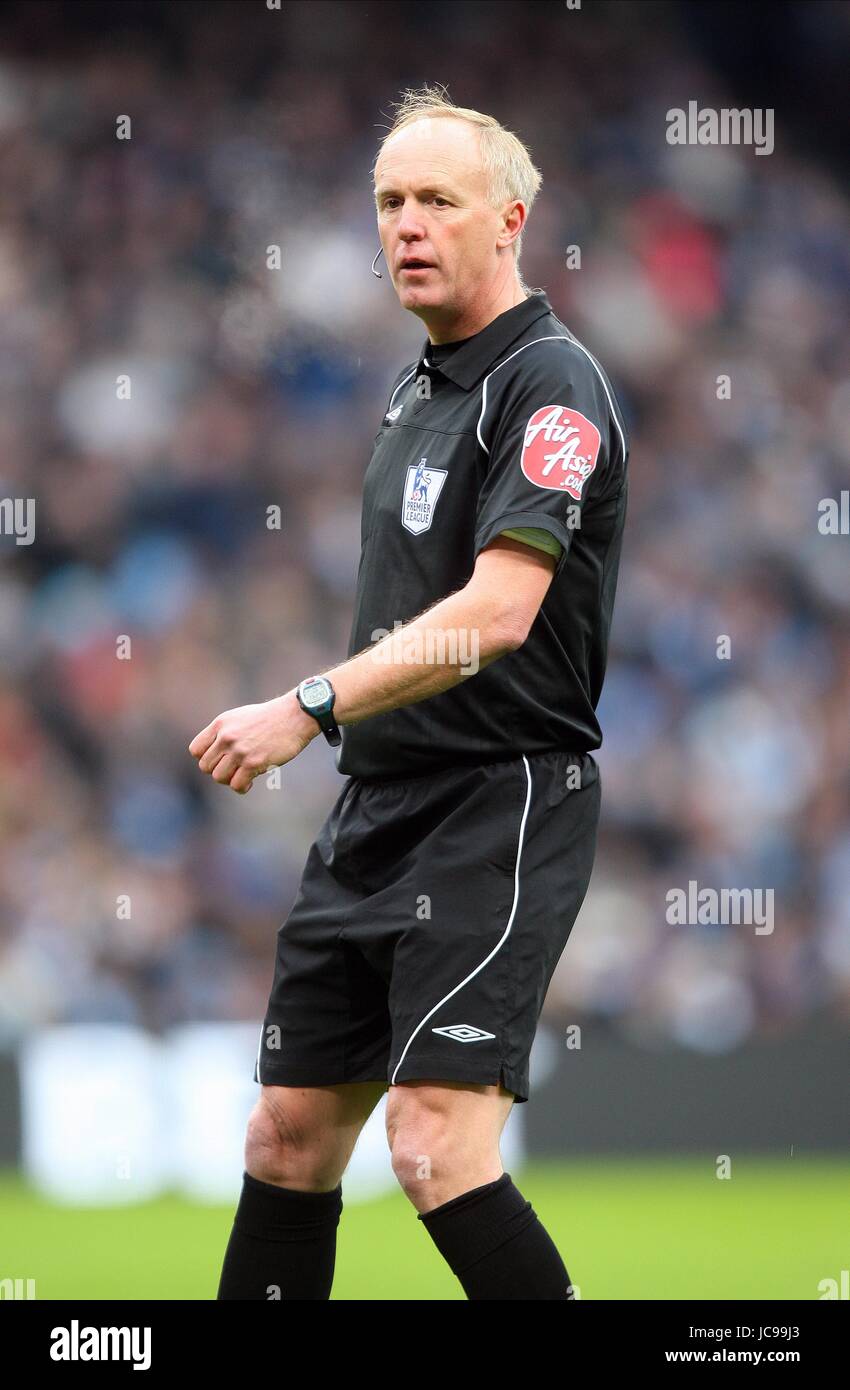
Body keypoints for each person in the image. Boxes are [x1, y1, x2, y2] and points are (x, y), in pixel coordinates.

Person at [190, 84, 629, 1301]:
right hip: (377, 809)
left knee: (432, 1143)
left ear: (511, 220)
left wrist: (309, 703)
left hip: (501, 803)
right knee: (285, 1137)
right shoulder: (417, 386)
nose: (407, 226)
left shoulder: (550, 384)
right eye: (389, 202)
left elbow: (498, 613)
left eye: (438, 200)